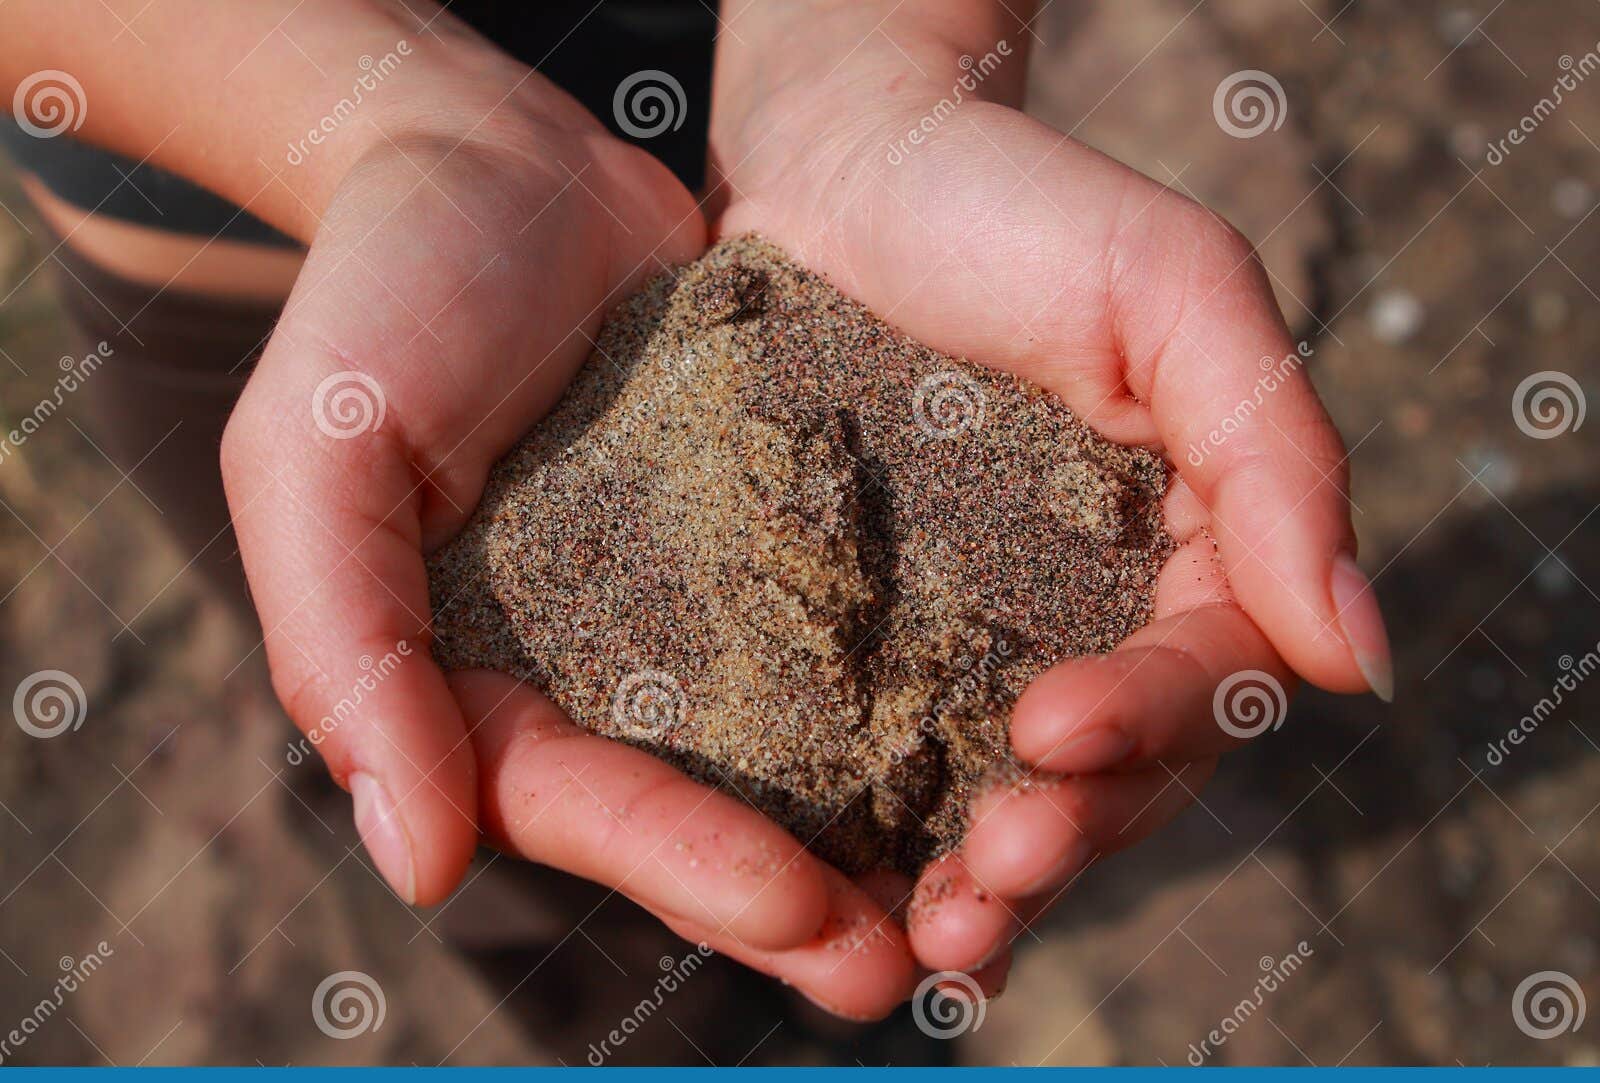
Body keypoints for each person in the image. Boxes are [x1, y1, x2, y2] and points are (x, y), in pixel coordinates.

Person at [0, 0, 1391, 1021]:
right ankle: (645, 1017)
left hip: (762, 102)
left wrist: (876, 59)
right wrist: (396, 120)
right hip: (211, 198)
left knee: (830, 886)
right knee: (431, 739)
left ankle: (793, 1020)